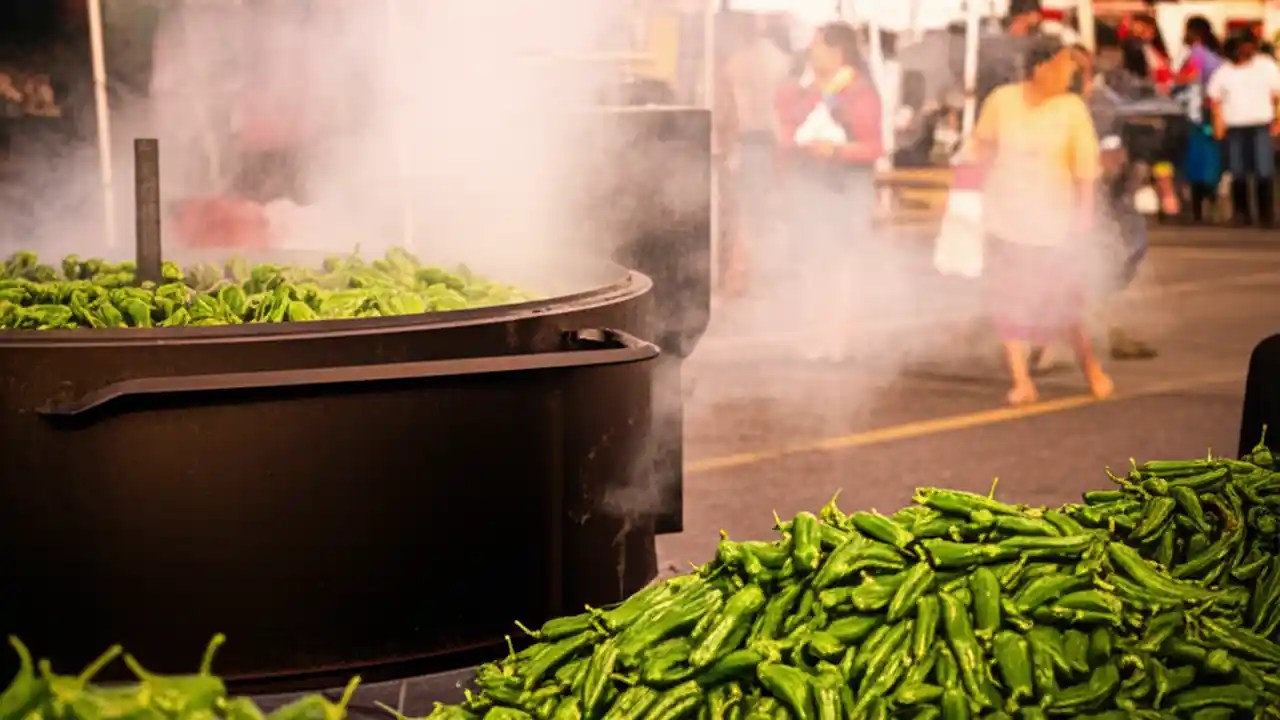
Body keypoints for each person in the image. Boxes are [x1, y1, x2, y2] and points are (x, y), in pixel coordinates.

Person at [971, 35, 1114, 405]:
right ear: (1041, 67)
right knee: (1008, 303)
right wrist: (968, 204)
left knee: (1064, 307)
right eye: (1065, 64)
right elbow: (980, 152)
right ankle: (1022, 381)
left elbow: (1086, 171)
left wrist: (1083, 217)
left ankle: (1091, 368)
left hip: (1054, 224)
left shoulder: (1071, 109)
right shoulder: (1002, 101)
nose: (1070, 73)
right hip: (1005, 219)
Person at [775, 22, 882, 362]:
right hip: (809, 183)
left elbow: (873, 146)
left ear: (839, 53)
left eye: (818, 44)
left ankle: (835, 337)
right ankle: (812, 334)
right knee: (811, 264)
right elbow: (786, 128)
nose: (811, 50)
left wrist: (836, 151)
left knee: (839, 266)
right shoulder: (804, 91)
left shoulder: (859, 92)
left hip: (845, 186)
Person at [722, 14, 792, 298]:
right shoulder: (780, 60)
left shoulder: (735, 62)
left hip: (751, 141)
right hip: (768, 141)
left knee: (747, 211)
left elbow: (730, 111)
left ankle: (740, 274)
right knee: (759, 209)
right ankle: (746, 273)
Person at [1208, 33, 1280, 228]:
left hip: (1261, 124)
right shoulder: (1224, 71)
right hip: (1235, 126)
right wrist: (1218, 123)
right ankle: (1242, 213)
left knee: (1264, 170)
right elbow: (1215, 100)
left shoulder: (1266, 66)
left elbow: (1276, 95)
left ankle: (1266, 215)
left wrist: (1277, 120)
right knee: (1238, 171)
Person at [1178, 16, 1224, 223]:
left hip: (1199, 115)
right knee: (1212, 158)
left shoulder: (1197, 54)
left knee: (1197, 159)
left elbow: (1191, 77)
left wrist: (1169, 80)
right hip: (1212, 115)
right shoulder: (1215, 56)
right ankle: (1211, 201)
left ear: (1195, 33)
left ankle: (1198, 208)